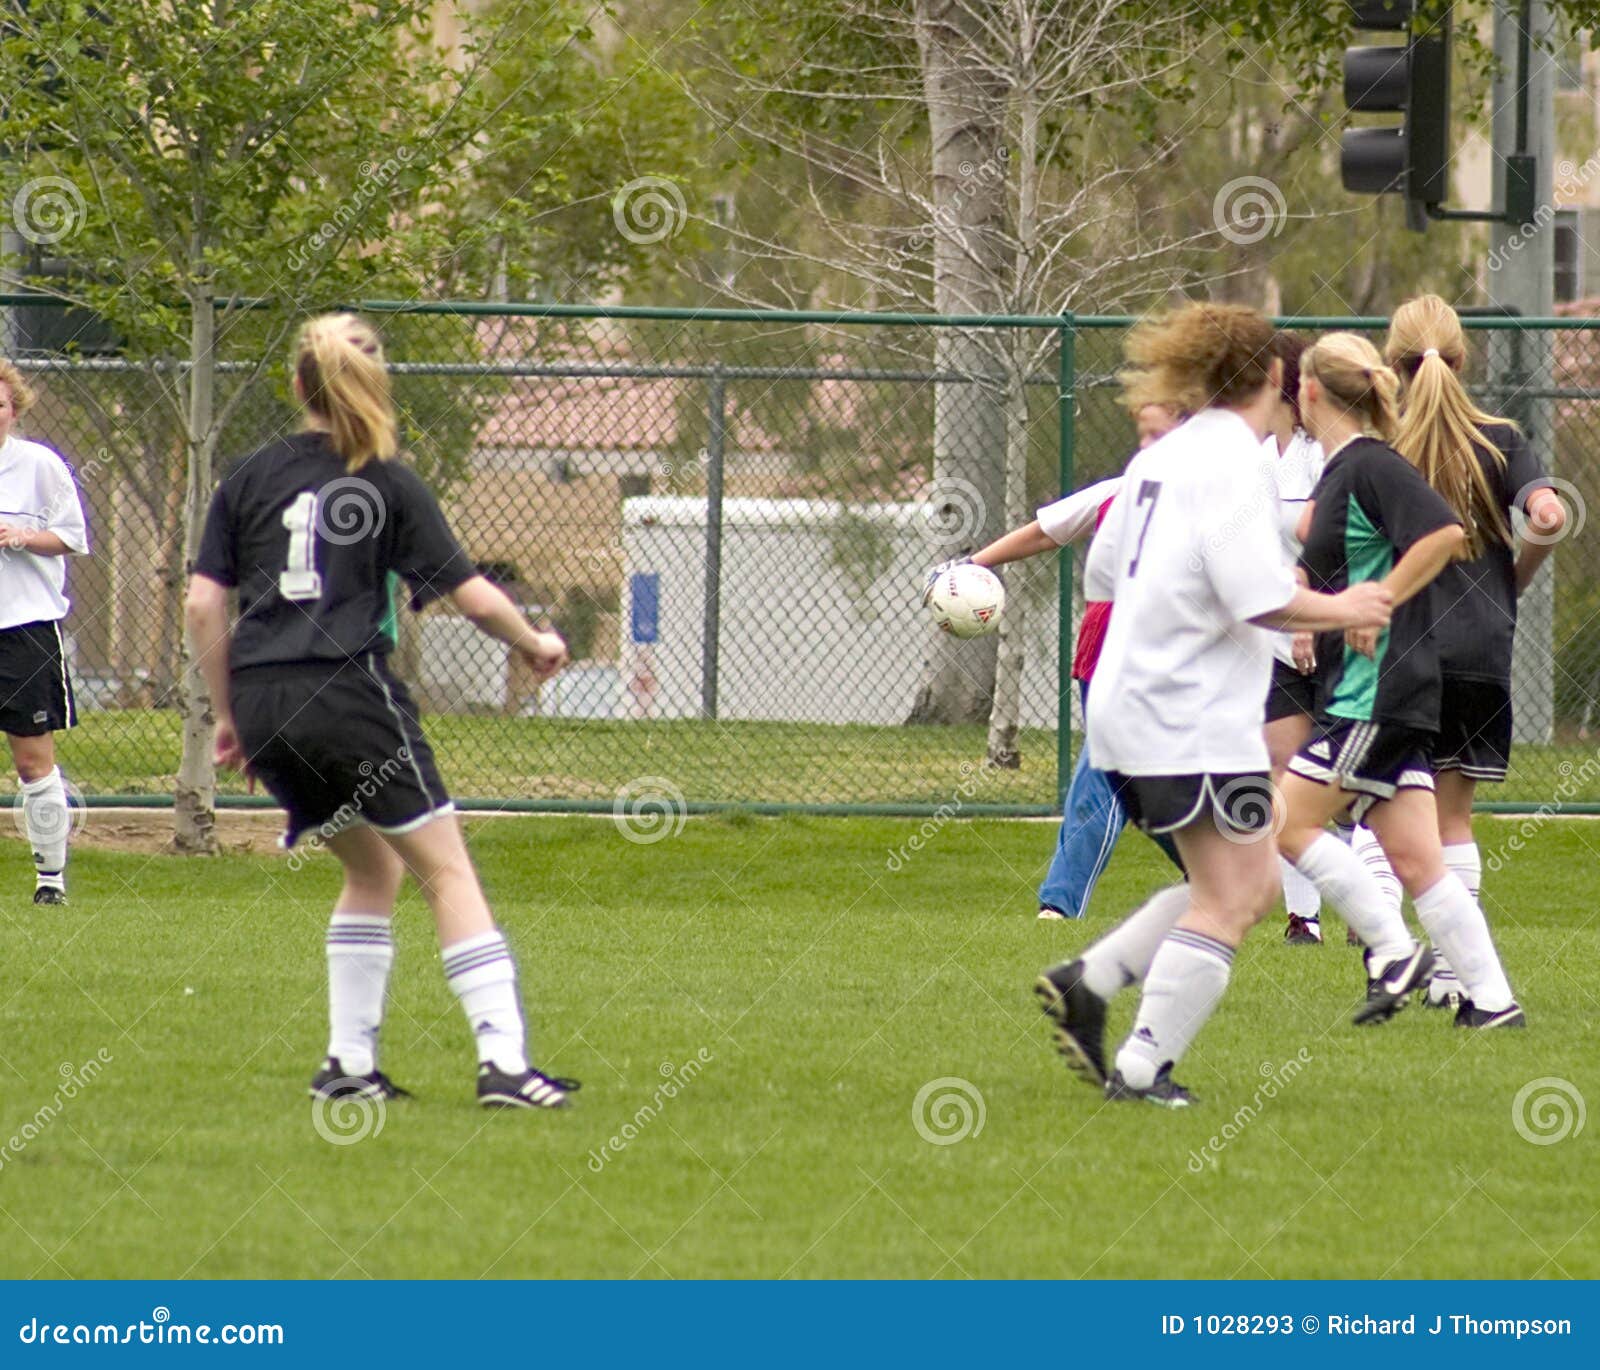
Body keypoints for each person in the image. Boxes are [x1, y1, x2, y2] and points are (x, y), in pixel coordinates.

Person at [185, 313, 580, 1109]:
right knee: (447, 870)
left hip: (265, 698)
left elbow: (202, 606)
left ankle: (348, 1066)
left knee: (372, 869)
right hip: (347, 690)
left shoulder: (249, 477)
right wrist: (532, 641)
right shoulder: (387, 480)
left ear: (298, 386)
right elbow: (467, 592)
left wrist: (231, 717)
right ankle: (503, 1065)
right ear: (374, 384)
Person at [1034, 304, 1392, 1107]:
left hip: (1139, 703)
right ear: (1278, 378)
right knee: (1234, 898)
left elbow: (1139, 573)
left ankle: (1087, 983)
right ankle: (1138, 1068)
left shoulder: (1175, 453)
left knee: (1248, 882)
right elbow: (1259, 598)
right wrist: (1353, 607)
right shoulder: (1232, 461)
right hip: (1184, 716)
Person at [1272, 333, 1525, 1029]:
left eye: (1297, 384)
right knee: (1419, 861)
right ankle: (1495, 1004)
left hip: (1371, 691)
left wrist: (1377, 598)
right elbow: (1324, 563)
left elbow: (1444, 534)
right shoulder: (1339, 472)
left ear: (1312, 391)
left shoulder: (1370, 465)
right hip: (1384, 688)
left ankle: (1393, 950)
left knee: (1286, 821)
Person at [1381, 295, 1567, 1010]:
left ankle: (1389, 956)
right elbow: (1548, 515)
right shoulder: (1501, 437)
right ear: (1462, 359)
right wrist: (1514, 577)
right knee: (1454, 817)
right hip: (1480, 646)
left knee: (1379, 808)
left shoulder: (1381, 447)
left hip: (1402, 644)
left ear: (1394, 365)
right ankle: (1459, 979)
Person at [947, 400, 1185, 922]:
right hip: (1103, 648)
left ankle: (1064, 901)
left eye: (1159, 436)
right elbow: (1043, 531)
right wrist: (971, 565)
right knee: (1118, 775)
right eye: (1141, 437)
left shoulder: (1207, 505)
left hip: (1165, 650)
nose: (1145, 449)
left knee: (1120, 777)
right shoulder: (1118, 494)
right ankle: (1206, 872)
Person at [0, 359, 89, 905]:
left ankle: (50, 880)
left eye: (0, 404)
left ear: (13, 408)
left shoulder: (40, 466)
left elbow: (71, 537)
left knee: (33, 760)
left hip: (23, 628)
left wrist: (21, 535)